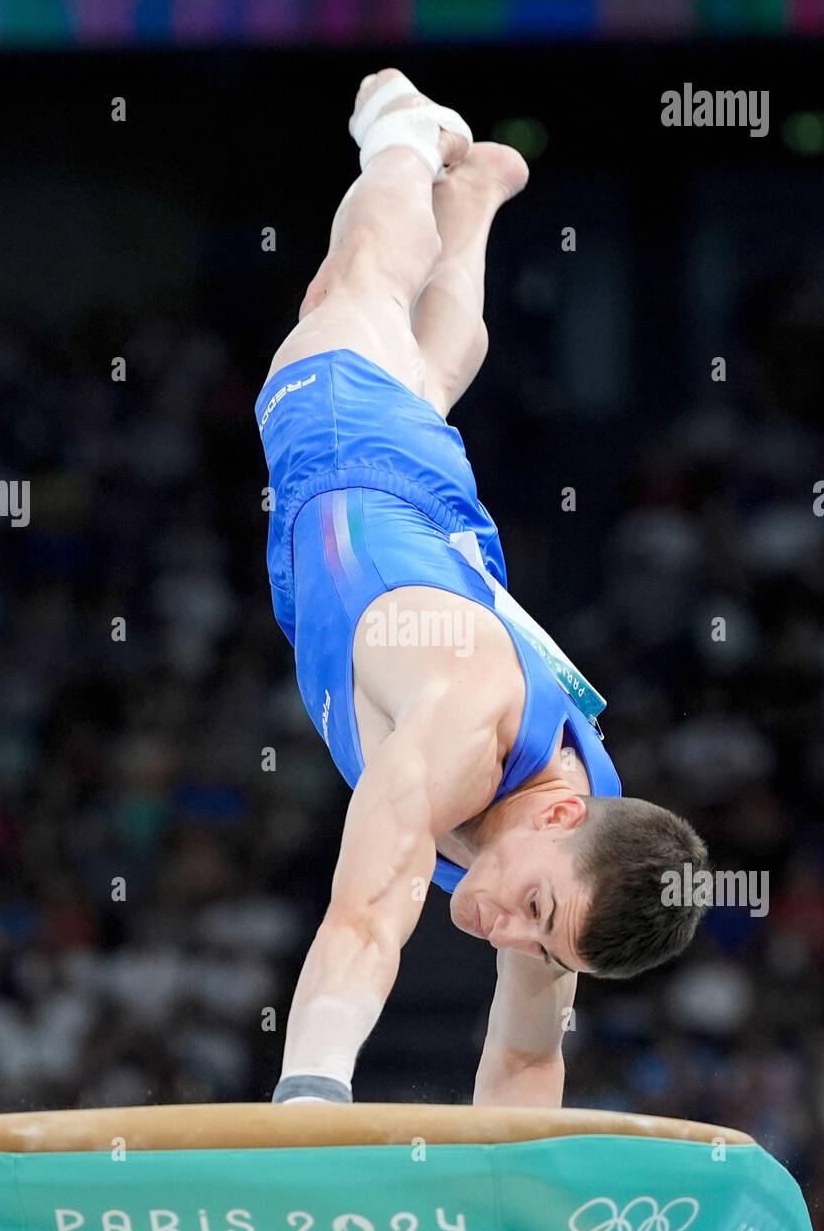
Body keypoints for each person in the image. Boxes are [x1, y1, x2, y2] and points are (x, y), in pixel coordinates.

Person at [255, 70, 709, 1107]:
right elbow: (366, 915)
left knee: (427, 376)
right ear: (560, 821)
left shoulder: (568, 873)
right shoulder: (463, 722)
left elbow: (523, 1058)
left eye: (539, 935)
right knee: (348, 291)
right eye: (535, 914)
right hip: (345, 459)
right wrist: (313, 1091)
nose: (506, 933)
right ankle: (403, 138)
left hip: (436, 540)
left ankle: (473, 199)